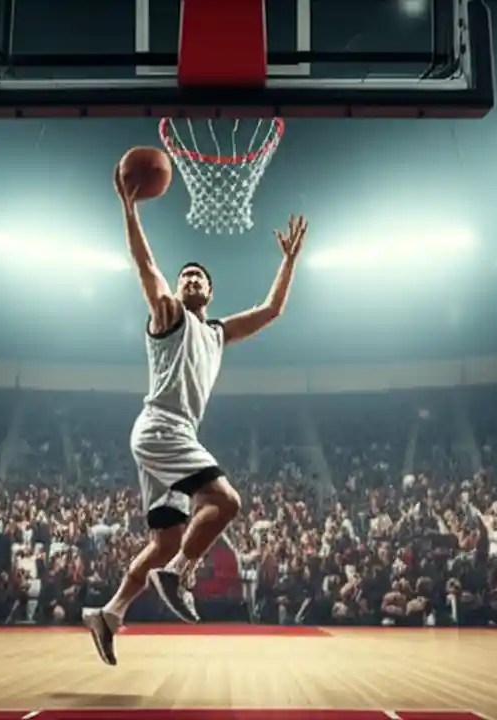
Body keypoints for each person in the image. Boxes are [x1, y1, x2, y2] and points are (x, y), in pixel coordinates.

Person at [82, 164, 308, 666]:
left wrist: (289, 261)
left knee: (165, 541)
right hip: (163, 427)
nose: (189, 279)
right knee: (226, 502)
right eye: (184, 275)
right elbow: (145, 265)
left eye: (198, 276)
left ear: (209, 291)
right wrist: (129, 210)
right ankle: (182, 572)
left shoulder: (218, 332)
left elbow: (271, 310)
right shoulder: (169, 316)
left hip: (166, 435)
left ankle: (110, 613)